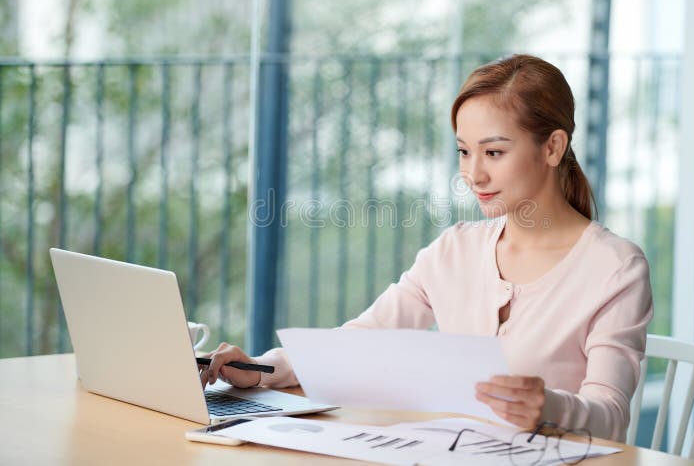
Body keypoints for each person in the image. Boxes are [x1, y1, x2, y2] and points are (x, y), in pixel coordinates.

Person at [199, 54, 653, 442]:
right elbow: (361, 340)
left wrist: (551, 406)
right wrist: (262, 369)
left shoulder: (615, 268)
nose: (473, 176)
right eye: (463, 152)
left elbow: (610, 415)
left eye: (493, 153)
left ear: (553, 147)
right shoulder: (453, 250)